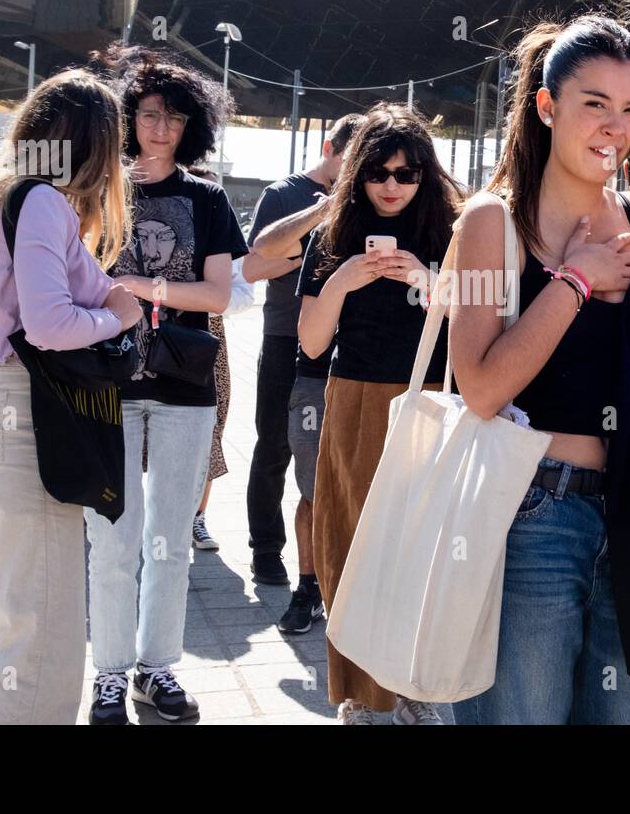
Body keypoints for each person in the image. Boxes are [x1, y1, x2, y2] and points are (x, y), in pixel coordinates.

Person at [447, 16, 630, 725]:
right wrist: (574, 281)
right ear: (547, 106)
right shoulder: (490, 225)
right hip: (532, 513)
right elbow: (481, 388)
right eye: (595, 104)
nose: (615, 127)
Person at [0, 69, 140, 724]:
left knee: (1, 618)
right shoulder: (43, 203)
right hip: (17, 416)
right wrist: (120, 316)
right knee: (41, 628)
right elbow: (51, 325)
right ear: (96, 144)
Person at [87, 46, 247, 725]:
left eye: (175, 118)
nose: (160, 128)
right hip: (107, 382)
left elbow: (223, 293)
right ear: (127, 119)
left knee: (170, 541)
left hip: (185, 381)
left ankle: (159, 667)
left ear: (192, 128)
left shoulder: (206, 197)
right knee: (113, 541)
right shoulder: (98, 189)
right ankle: (110, 675)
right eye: (149, 114)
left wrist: (140, 286)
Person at [297, 102, 461, 724]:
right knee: (350, 543)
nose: (392, 185)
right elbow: (311, 344)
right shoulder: (330, 236)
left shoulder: (452, 232)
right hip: (354, 397)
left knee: (419, 549)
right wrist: (343, 281)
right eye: (379, 172)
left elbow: (479, 323)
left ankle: (414, 687)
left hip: (430, 399)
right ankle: (362, 698)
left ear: (426, 175)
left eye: (407, 173)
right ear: (358, 172)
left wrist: (426, 279)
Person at [248, 112, 366, 631]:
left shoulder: (380, 197)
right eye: (353, 155)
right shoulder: (287, 194)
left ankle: (345, 582)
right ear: (329, 148)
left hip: (356, 355)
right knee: (276, 447)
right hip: (287, 339)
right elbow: (255, 261)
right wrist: (318, 223)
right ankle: (269, 552)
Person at [189, 164, 256, 553]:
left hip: (210, 339)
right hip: (153, 335)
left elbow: (244, 294)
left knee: (209, 428)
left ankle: (196, 517)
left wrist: (209, 301)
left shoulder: (223, 240)